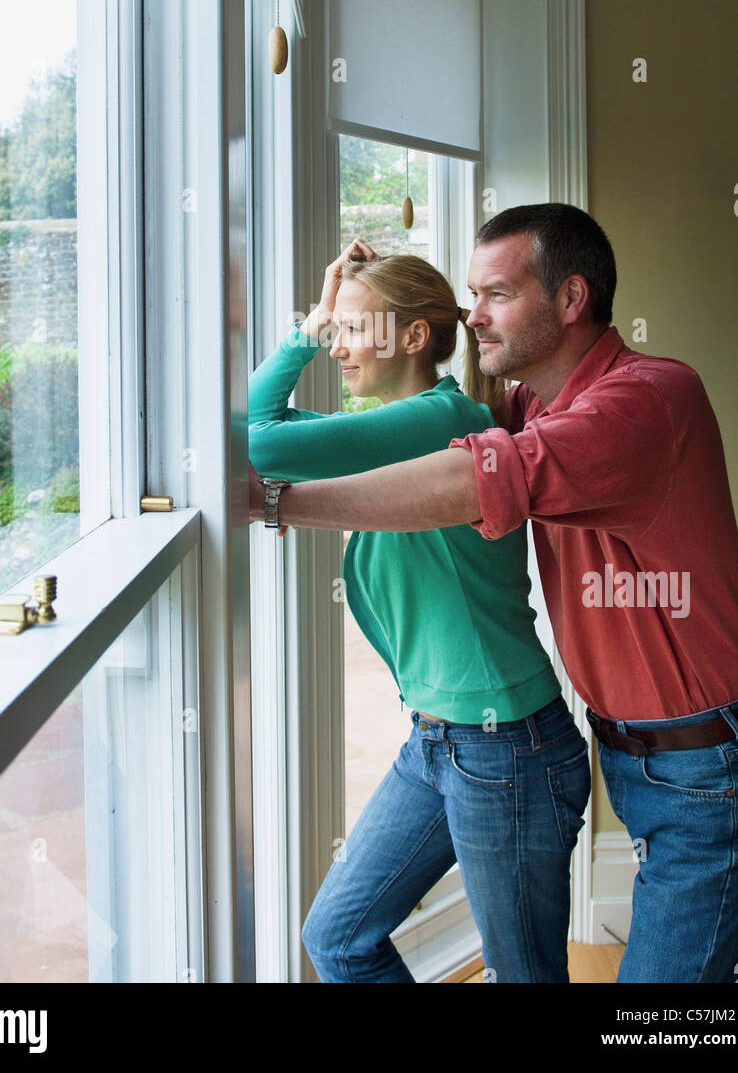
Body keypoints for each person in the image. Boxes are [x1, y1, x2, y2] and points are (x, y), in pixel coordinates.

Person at [250, 204, 738, 985]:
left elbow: (472, 475)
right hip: (629, 758)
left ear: (570, 300)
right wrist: (324, 321)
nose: (474, 316)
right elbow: (435, 426)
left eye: (496, 294)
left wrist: (274, 503)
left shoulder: (647, 399)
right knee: (339, 935)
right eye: (470, 295)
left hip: (714, 775)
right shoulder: (532, 405)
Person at [248, 238, 590, 983]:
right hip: (442, 742)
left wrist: (307, 332)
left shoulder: (438, 420)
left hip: (505, 749)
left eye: (350, 330)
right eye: (330, 334)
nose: (336, 347)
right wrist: (315, 319)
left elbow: (256, 446)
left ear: (411, 337)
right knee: (338, 938)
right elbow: (246, 430)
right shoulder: (388, 434)